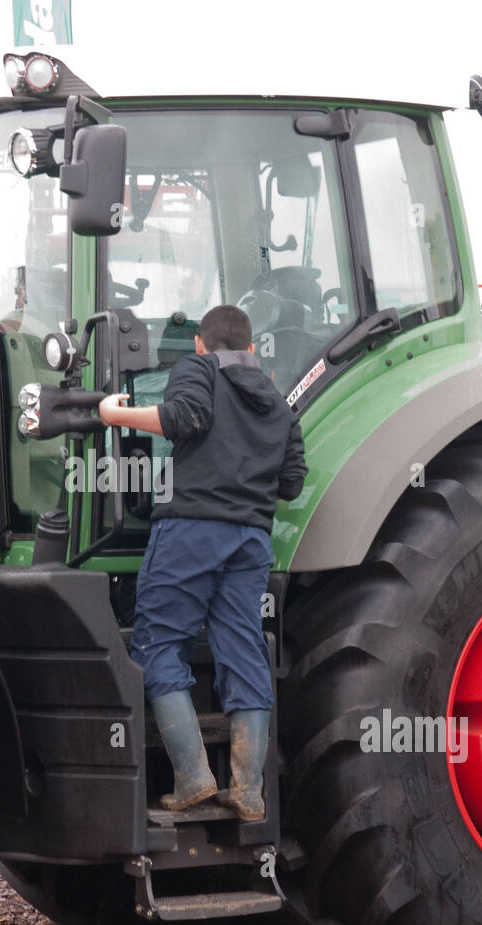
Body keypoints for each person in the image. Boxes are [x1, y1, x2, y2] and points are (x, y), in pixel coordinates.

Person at [98, 304, 307, 820]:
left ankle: (193, 777)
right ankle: (247, 790)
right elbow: (291, 483)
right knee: (242, 646)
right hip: (251, 540)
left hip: (192, 529)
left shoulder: (199, 369)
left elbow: (183, 418)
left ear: (200, 344)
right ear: (252, 349)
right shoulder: (281, 406)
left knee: (156, 642)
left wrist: (112, 414)